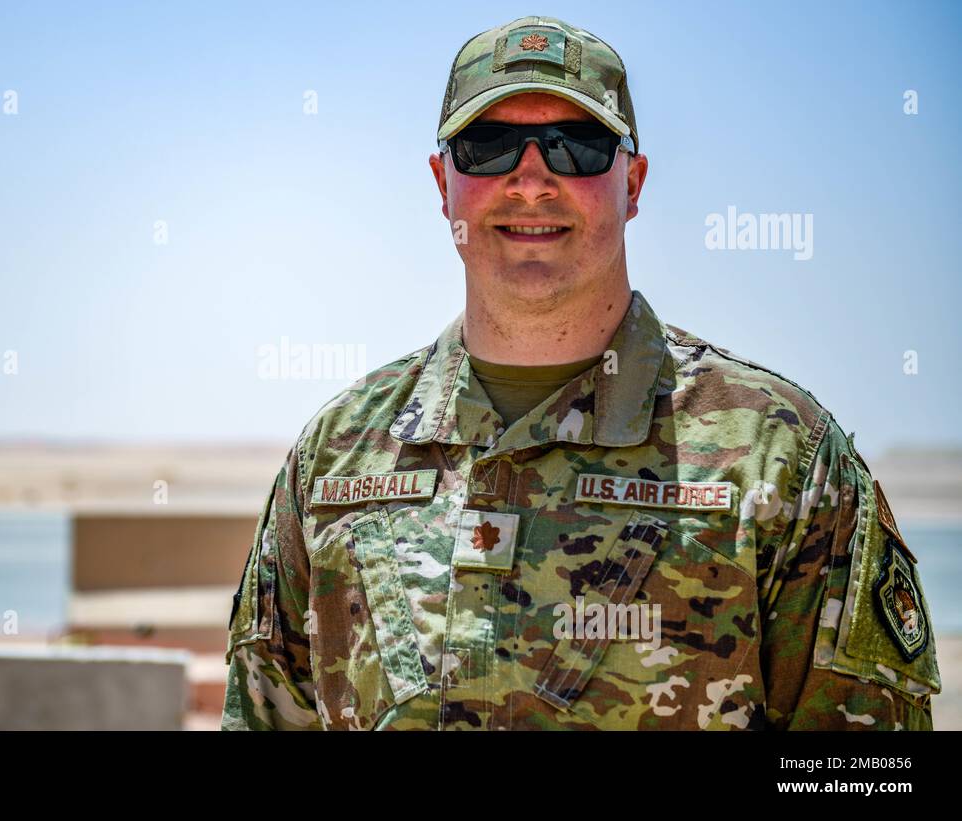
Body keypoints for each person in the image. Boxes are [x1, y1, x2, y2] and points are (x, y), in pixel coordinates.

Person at [221, 14, 940, 730]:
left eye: (577, 147)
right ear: (444, 183)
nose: (530, 182)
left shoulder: (780, 458)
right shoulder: (337, 455)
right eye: (489, 146)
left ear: (634, 183)